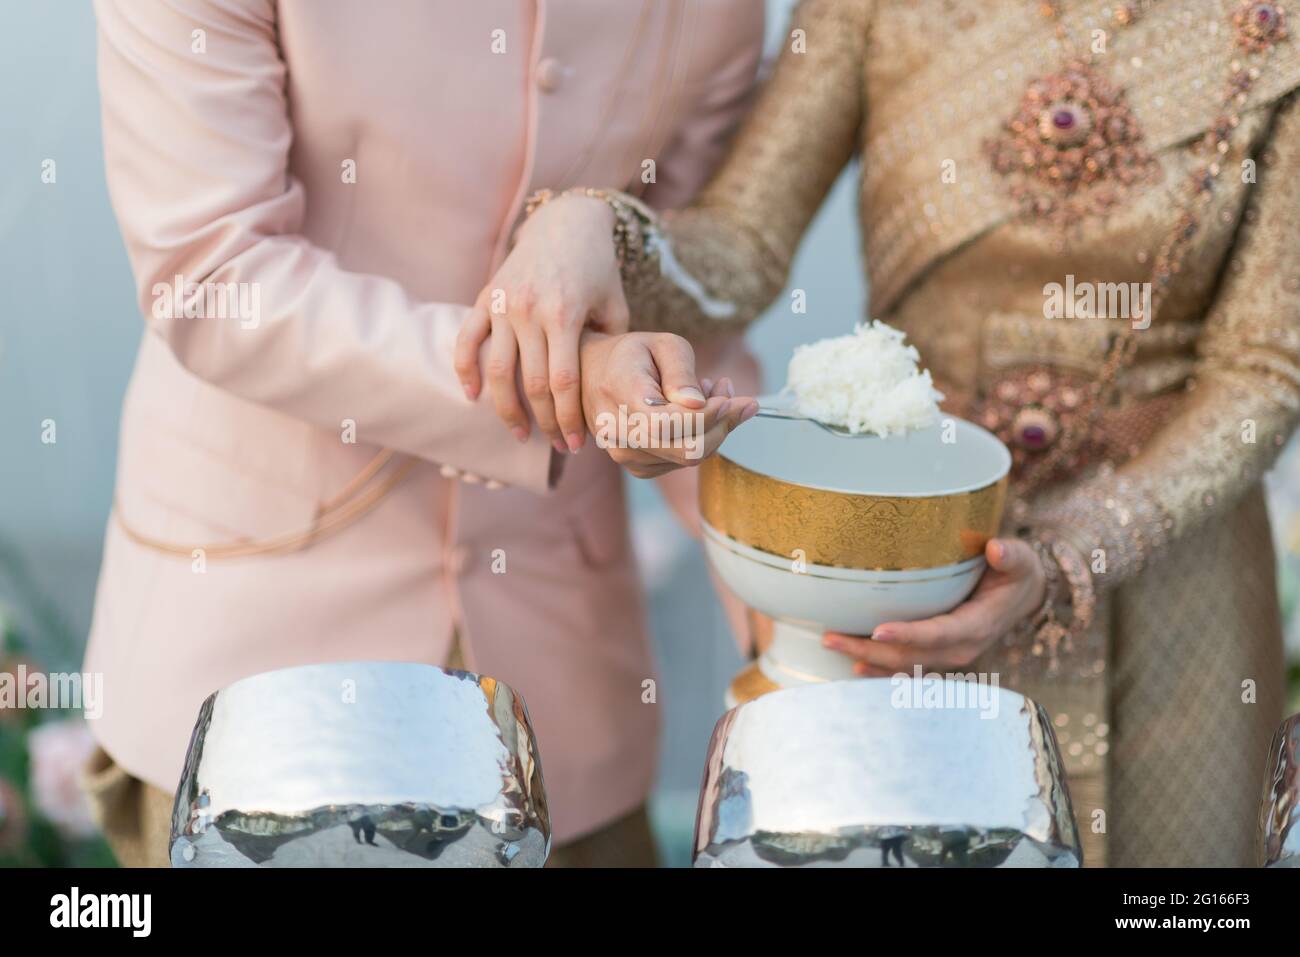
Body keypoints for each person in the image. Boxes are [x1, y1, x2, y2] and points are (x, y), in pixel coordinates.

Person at [459, 0, 1300, 866]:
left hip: (1173, 590)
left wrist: (1073, 556)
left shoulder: (1274, 32)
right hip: (911, 567)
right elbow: (740, 250)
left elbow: (1265, 370)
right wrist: (595, 225)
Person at [81, 0, 763, 867]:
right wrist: (559, 386)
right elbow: (213, 277)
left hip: (564, 700)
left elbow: (683, 292)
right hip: (251, 675)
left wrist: (795, 589)